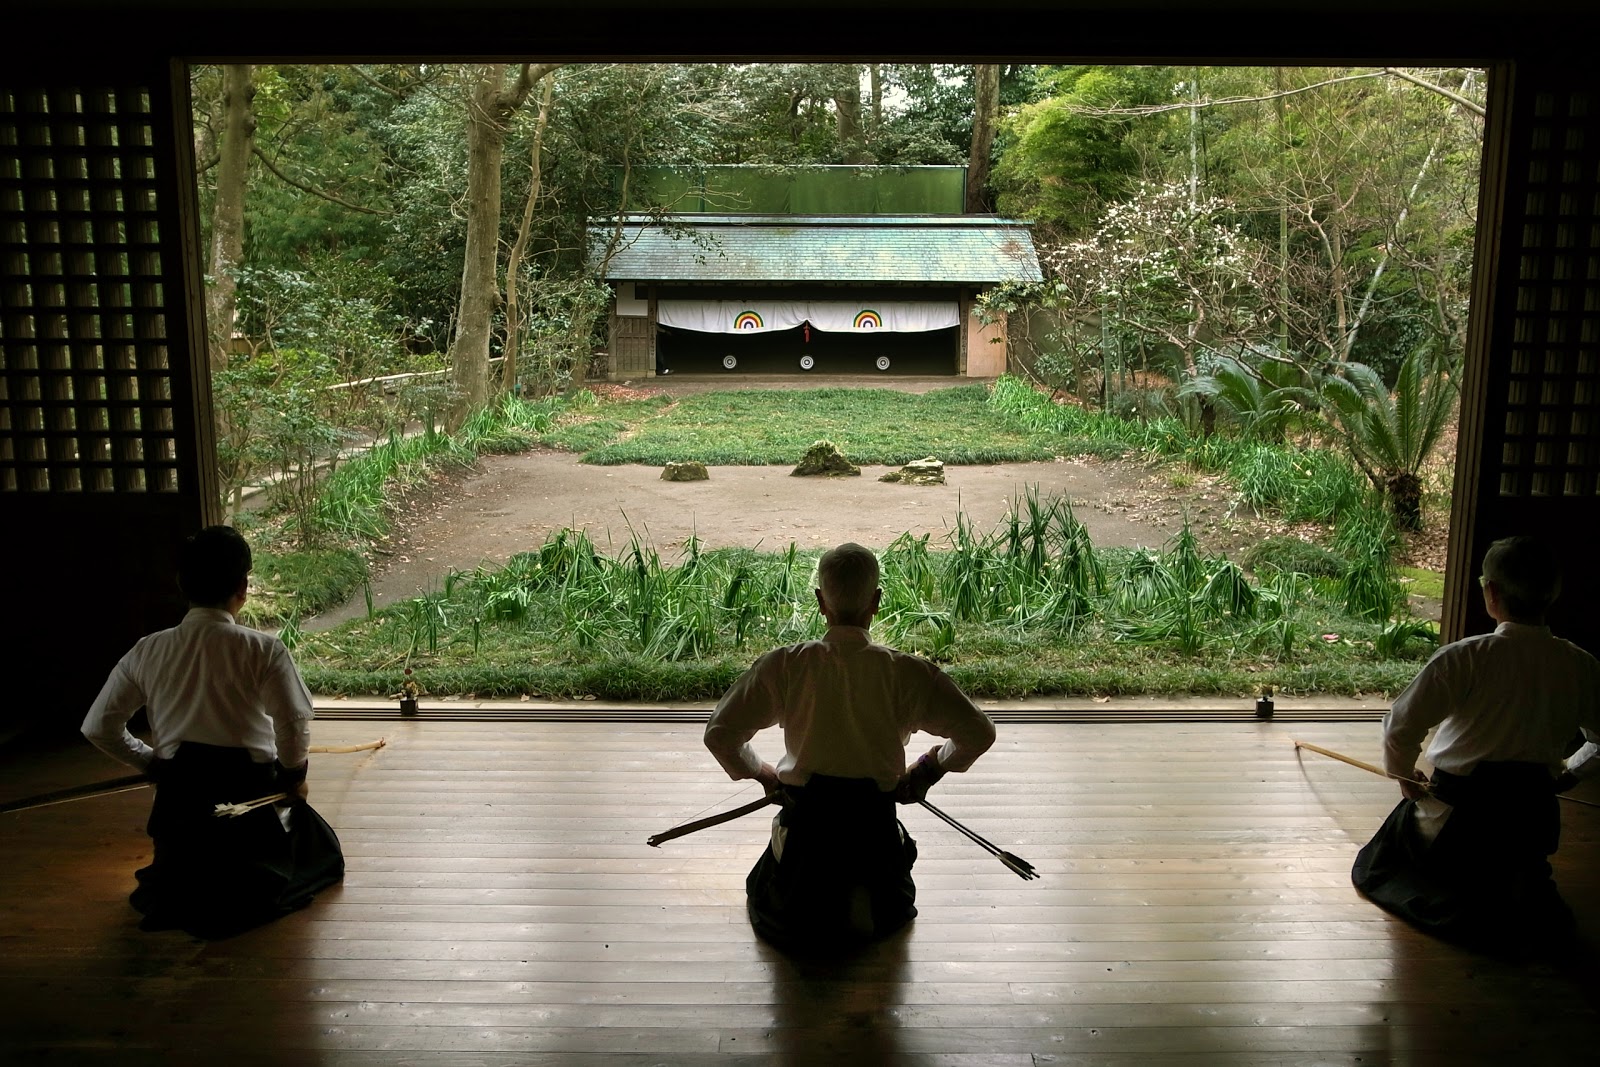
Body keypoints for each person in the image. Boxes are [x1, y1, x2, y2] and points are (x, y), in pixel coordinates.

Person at [704, 542, 996, 951]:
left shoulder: (785, 665)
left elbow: (720, 734)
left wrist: (762, 773)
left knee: (784, 886)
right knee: (876, 901)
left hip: (804, 851)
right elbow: (979, 732)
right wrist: (930, 769)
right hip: (873, 844)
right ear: (876, 601)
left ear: (821, 602)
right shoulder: (908, 674)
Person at [81, 525, 345, 938]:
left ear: (182, 584)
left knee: (186, 871)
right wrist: (293, 777)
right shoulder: (263, 649)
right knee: (321, 848)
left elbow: (98, 727)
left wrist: (151, 762)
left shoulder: (148, 649)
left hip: (180, 808)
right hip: (250, 799)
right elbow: (291, 725)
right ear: (243, 586)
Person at [1351, 535, 1600, 951]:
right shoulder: (1581, 665)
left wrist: (1404, 778)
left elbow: (1400, 729)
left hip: (1458, 822)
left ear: (1492, 593)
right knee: (1516, 875)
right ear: (1552, 595)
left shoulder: (1465, 657)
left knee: (1384, 857)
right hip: (1531, 825)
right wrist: (1569, 773)